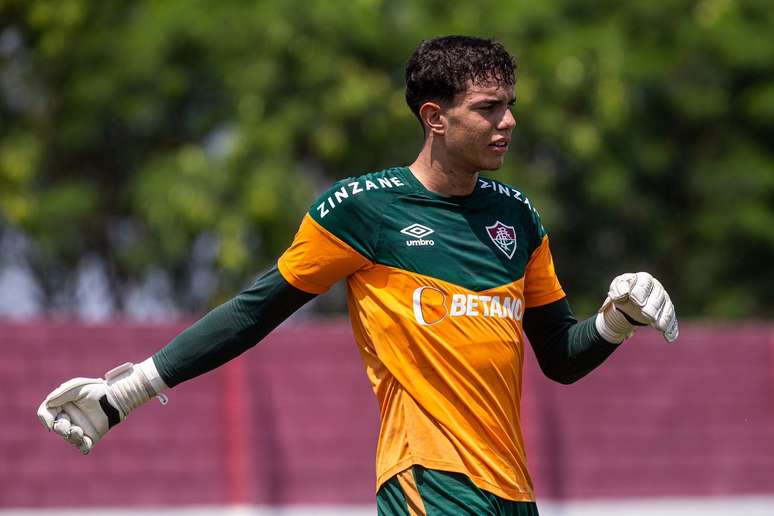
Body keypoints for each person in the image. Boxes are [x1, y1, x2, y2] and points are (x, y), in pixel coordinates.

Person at [37, 36, 677, 516]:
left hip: (513, 491)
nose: (507, 121)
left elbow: (560, 356)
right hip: (427, 480)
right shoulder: (363, 209)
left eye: (510, 105)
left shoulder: (519, 217)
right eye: (488, 108)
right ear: (435, 118)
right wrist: (127, 392)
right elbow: (255, 310)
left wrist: (616, 320)